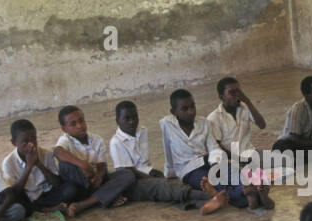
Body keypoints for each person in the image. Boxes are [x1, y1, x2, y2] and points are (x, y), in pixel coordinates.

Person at [110, 101, 226, 213]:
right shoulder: (116, 142)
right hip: (131, 183)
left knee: (166, 191)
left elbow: (143, 164)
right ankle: (209, 196)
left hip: (143, 173)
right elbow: (128, 172)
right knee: (163, 187)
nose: (132, 121)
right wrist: (152, 179)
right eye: (127, 119)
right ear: (117, 121)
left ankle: (200, 204)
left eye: (135, 117)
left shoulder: (142, 131)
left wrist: (152, 173)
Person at [160, 90, 252, 208]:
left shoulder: (204, 123)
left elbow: (213, 147)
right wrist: (169, 171)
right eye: (185, 109)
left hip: (209, 161)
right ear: (173, 112)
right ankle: (245, 196)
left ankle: (246, 190)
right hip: (190, 170)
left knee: (232, 171)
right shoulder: (166, 124)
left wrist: (215, 164)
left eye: (193, 106)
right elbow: (166, 147)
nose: (191, 111)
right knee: (216, 183)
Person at [205, 79, 273, 209]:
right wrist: (237, 158)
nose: (237, 95)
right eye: (232, 92)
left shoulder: (245, 108)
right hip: (231, 159)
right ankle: (252, 191)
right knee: (238, 175)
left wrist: (248, 101)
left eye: (239, 91)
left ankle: (255, 183)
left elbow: (262, 125)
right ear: (222, 97)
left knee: (284, 161)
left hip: (250, 153)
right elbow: (217, 147)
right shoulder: (214, 118)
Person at [55, 105, 136, 215]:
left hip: (96, 183)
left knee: (127, 174)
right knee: (65, 165)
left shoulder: (97, 139)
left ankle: (84, 204)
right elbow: (58, 152)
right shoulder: (65, 140)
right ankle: (107, 195)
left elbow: (101, 165)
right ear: (64, 129)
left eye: (81, 121)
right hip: (79, 185)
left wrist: (99, 176)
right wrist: (83, 165)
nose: (80, 126)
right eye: (73, 124)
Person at [2, 119, 86, 219]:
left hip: (49, 195)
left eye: (34, 139)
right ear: (14, 142)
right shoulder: (8, 163)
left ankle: (49, 208)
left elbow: (57, 183)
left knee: (71, 188)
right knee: (13, 201)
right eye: (25, 142)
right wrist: (29, 166)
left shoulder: (46, 154)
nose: (31, 144)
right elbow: (14, 192)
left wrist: (38, 164)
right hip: (29, 199)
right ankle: (48, 209)